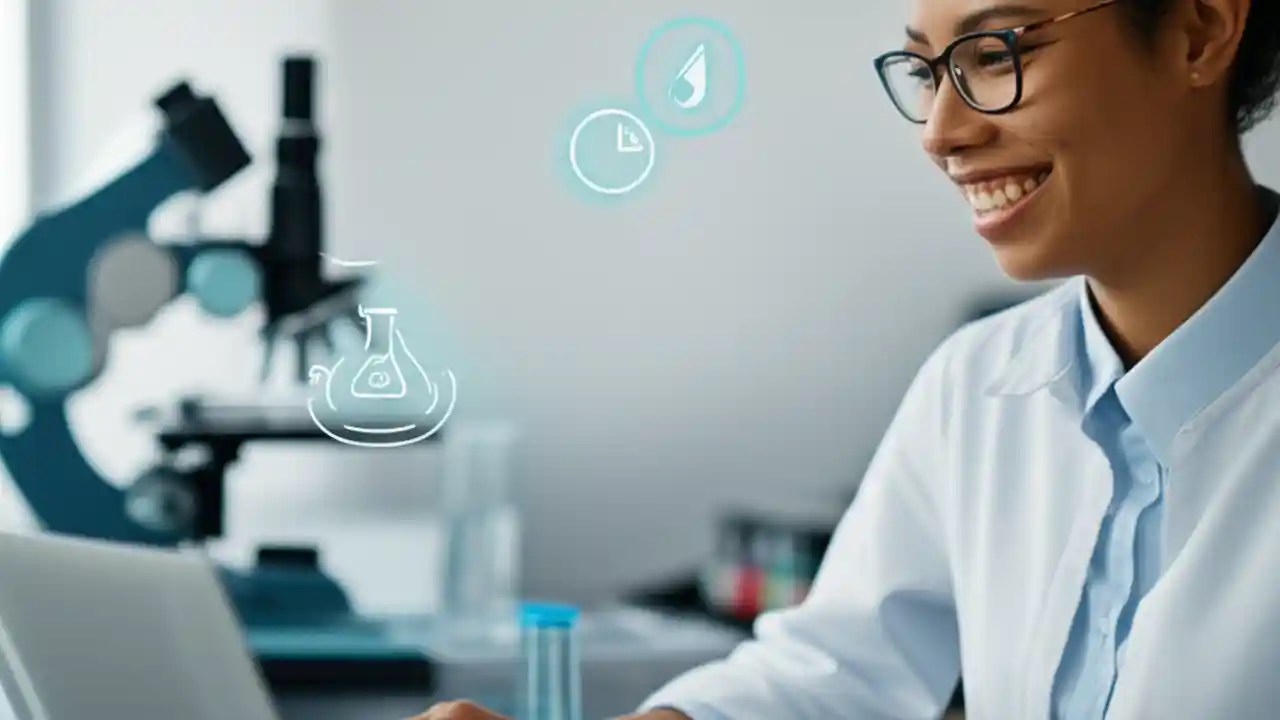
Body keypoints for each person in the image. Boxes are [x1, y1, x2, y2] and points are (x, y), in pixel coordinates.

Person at [412, 0, 1280, 717]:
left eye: (994, 55)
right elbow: (835, 671)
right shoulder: (977, 383)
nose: (940, 132)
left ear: (1198, 30)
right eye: (926, 74)